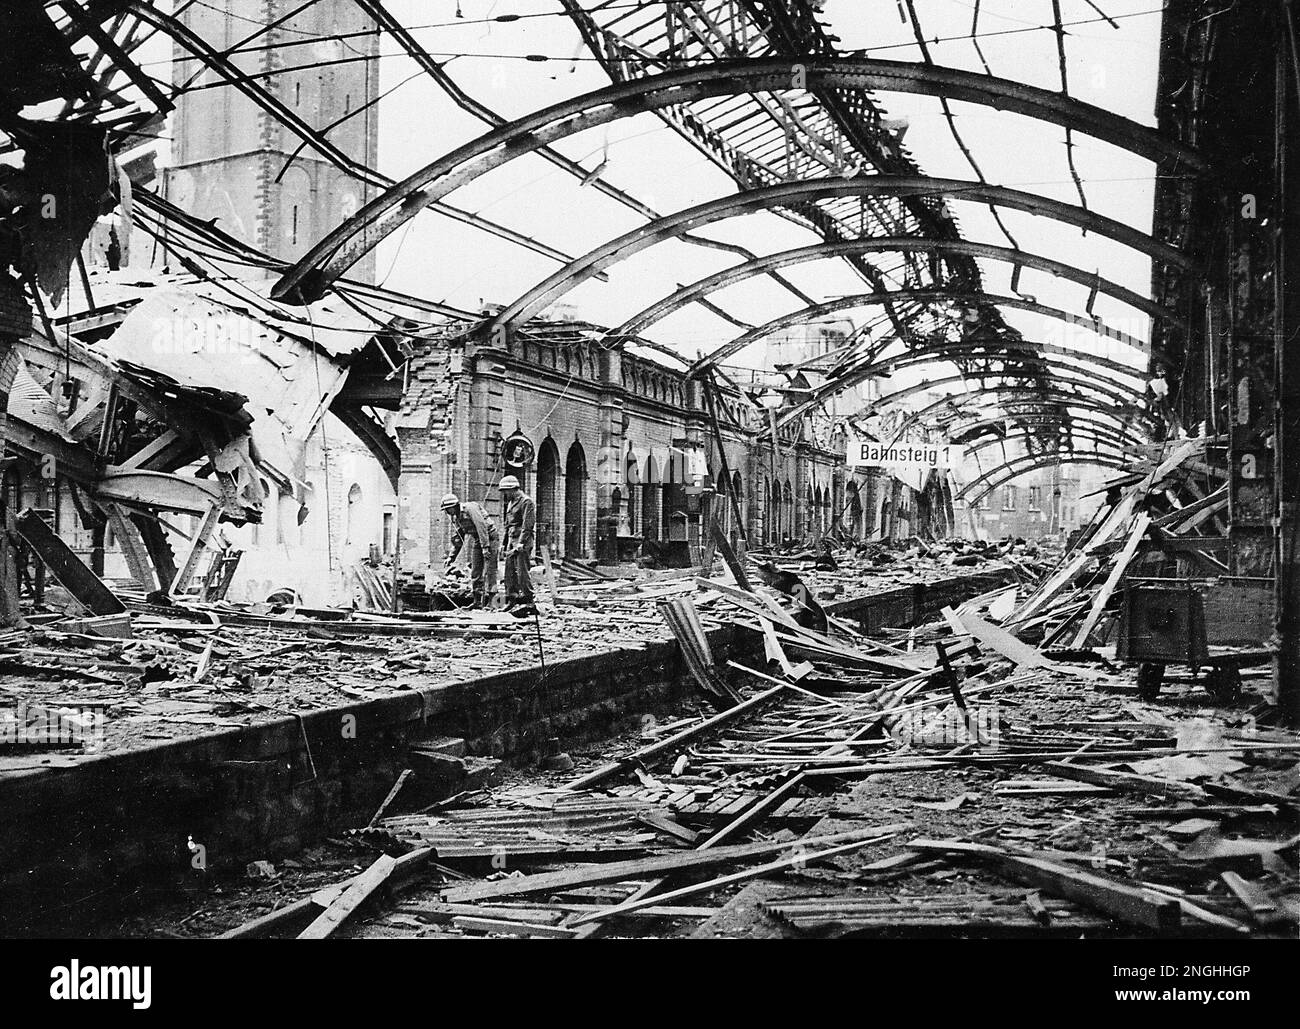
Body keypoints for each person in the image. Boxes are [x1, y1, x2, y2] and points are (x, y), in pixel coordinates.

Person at [440, 493, 498, 608]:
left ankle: (493, 603)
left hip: (490, 537)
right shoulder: (457, 518)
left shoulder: (470, 508)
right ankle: (477, 602)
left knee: (490, 569)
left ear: (454, 506)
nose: (447, 512)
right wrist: (451, 557)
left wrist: (485, 547)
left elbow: (481, 526)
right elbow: (458, 538)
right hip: (478, 539)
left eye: (447, 509)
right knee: (476, 570)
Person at [498, 474, 535, 611]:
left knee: (522, 571)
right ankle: (511, 600)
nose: (504, 494)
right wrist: (504, 543)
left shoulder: (526, 502)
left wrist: (521, 543)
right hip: (511, 540)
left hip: (522, 541)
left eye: (506, 491)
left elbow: (528, 524)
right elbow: (507, 526)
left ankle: (529, 600)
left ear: (513, 489)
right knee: (509, 573)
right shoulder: (511, 503)